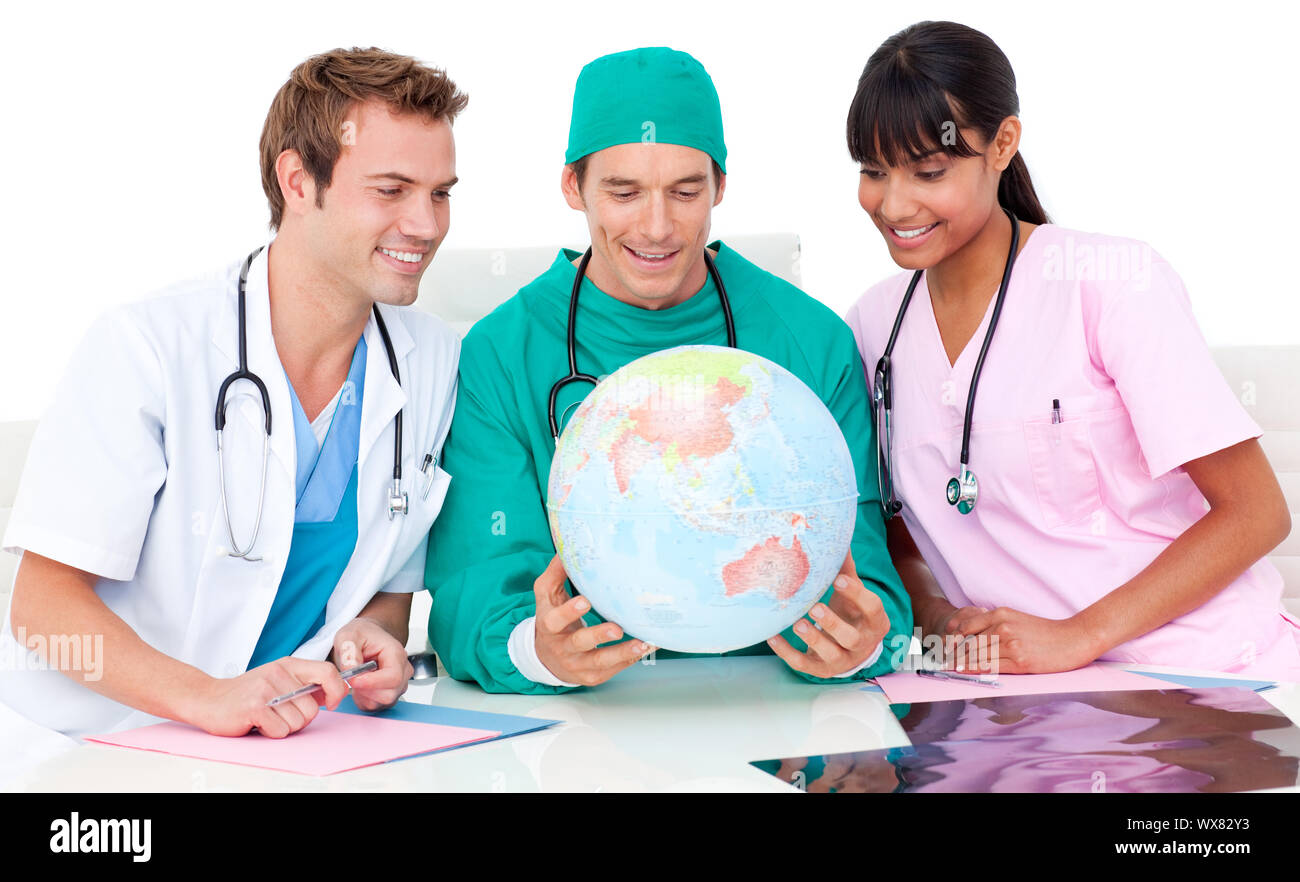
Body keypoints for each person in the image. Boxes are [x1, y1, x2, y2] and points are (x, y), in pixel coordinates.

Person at [0, 47, 466, 743]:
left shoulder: (431, 360)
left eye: (441, 192)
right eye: (391, 190)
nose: (427, 225)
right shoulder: (149, 346)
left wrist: (370, 637)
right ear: (298, 180)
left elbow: (387, 585)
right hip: (98, 746)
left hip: (293, 747)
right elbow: (42, 607)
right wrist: (207, 698)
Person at [424, 47, 910, 694]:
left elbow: (871, 586)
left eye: (686, 192)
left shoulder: (812, 342)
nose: (656, 227)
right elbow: (473, 595)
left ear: (721, 187)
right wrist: (538, 652)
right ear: (573, 187)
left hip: (780, 716)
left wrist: (857, 645)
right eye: (623, 192)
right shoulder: (501, 353)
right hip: (581, 734)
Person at [844, 21, 1299, 678]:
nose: (893, 203)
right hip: (1005, 696)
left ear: (1003, 144)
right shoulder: (872, 327)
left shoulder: (1110, 283)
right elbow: (899, 528)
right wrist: (938, 620)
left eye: (929, 171)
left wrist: (1079, 636)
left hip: (1199, 670)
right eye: (872, 171)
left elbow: (1256, 513)